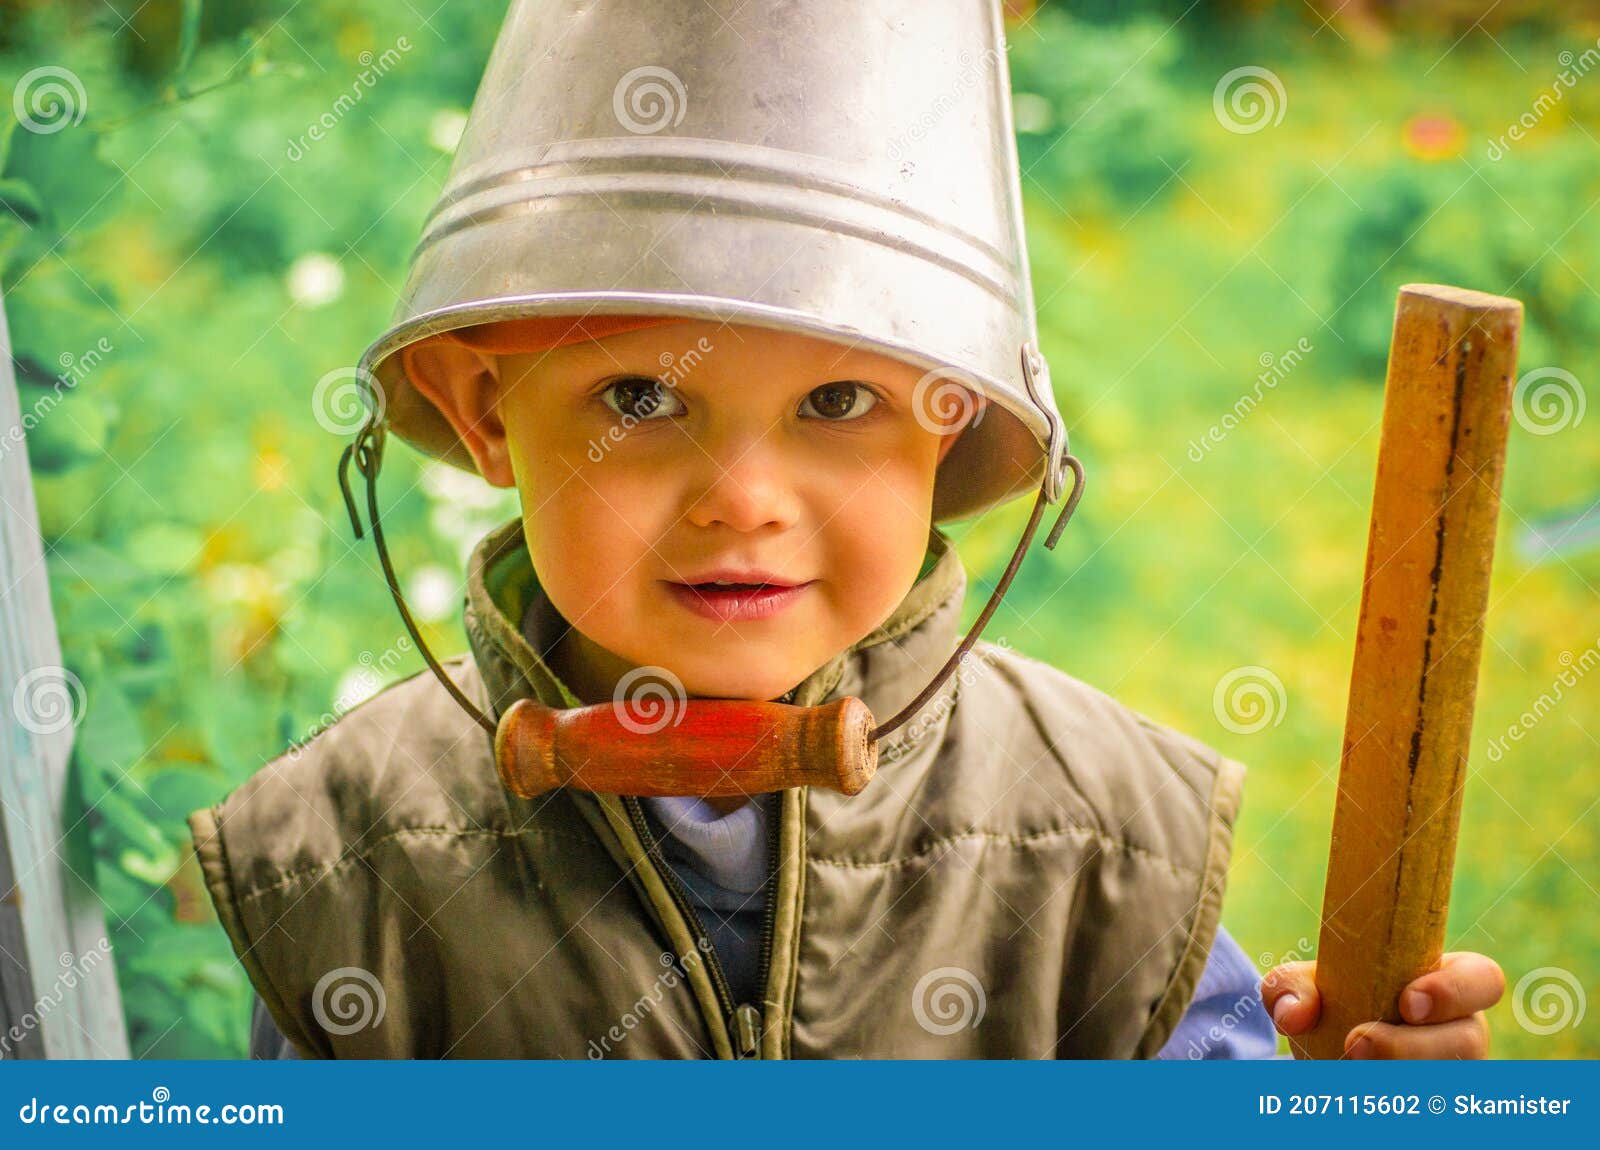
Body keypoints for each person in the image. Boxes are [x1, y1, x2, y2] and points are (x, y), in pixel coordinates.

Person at [188, 0, 1502, 1059]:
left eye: (838, 398)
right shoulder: (356, 866)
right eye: (640, 397)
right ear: (484, 408)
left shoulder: (1095, 849)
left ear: (952, 420)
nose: (745, 499)